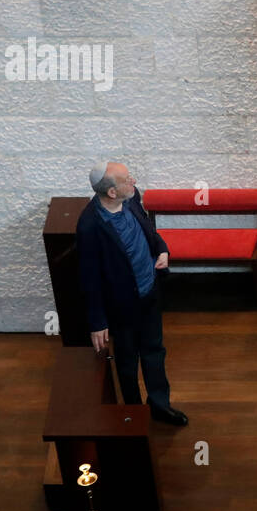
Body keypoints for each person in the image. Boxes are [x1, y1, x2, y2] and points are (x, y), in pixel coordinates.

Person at [76, 161, 188, 426]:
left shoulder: (131, 197)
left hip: (149, 292)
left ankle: (160, 405)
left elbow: (146, 226)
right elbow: (89, 277)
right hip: (122, 305)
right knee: (127, 361)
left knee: (154, 351)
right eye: (127, 179)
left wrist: (162, 248)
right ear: (111, 192)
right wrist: (98, 321)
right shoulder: (89, 226)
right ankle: (134, 413)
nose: (134, 182)